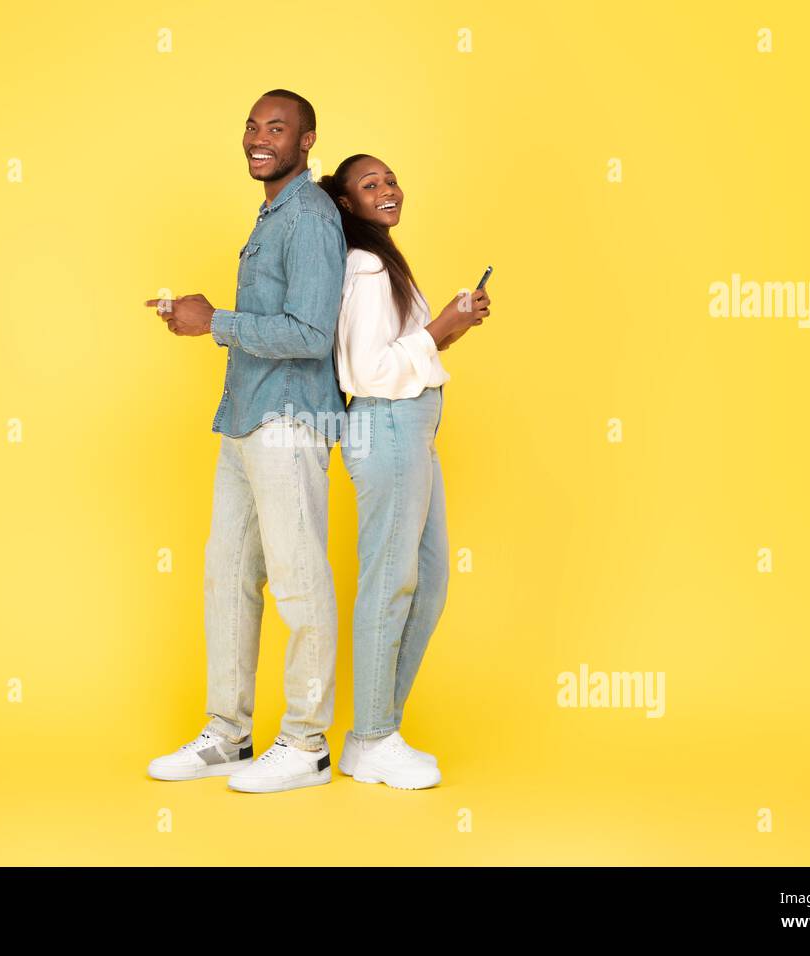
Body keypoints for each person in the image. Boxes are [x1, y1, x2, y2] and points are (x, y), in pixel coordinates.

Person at [143, 90, 348, 793]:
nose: (260, 138)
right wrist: (204, 319)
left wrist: (216, 321)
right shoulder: (272, 212)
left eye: (278, 128)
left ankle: (306, 744)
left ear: (307, 140)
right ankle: (227, 736)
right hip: (244, 419)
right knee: (227, 578)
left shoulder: (313, 217)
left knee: (298, 580)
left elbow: (312, 334)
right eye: (254, 126)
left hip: (290, 422)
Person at [317, 154, 489, 789]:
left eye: (389, 180)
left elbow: (399, 354)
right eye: (370, 185)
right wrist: (438, 327)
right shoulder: (363, 265)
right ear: (346, 204)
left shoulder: (383, 262)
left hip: (409, 430)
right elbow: (363, 371)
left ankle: (380, 727)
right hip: (387, 429)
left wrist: (448, 329)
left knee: (429, 580)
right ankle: (370, 737)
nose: (387, 191)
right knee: (390, 581)